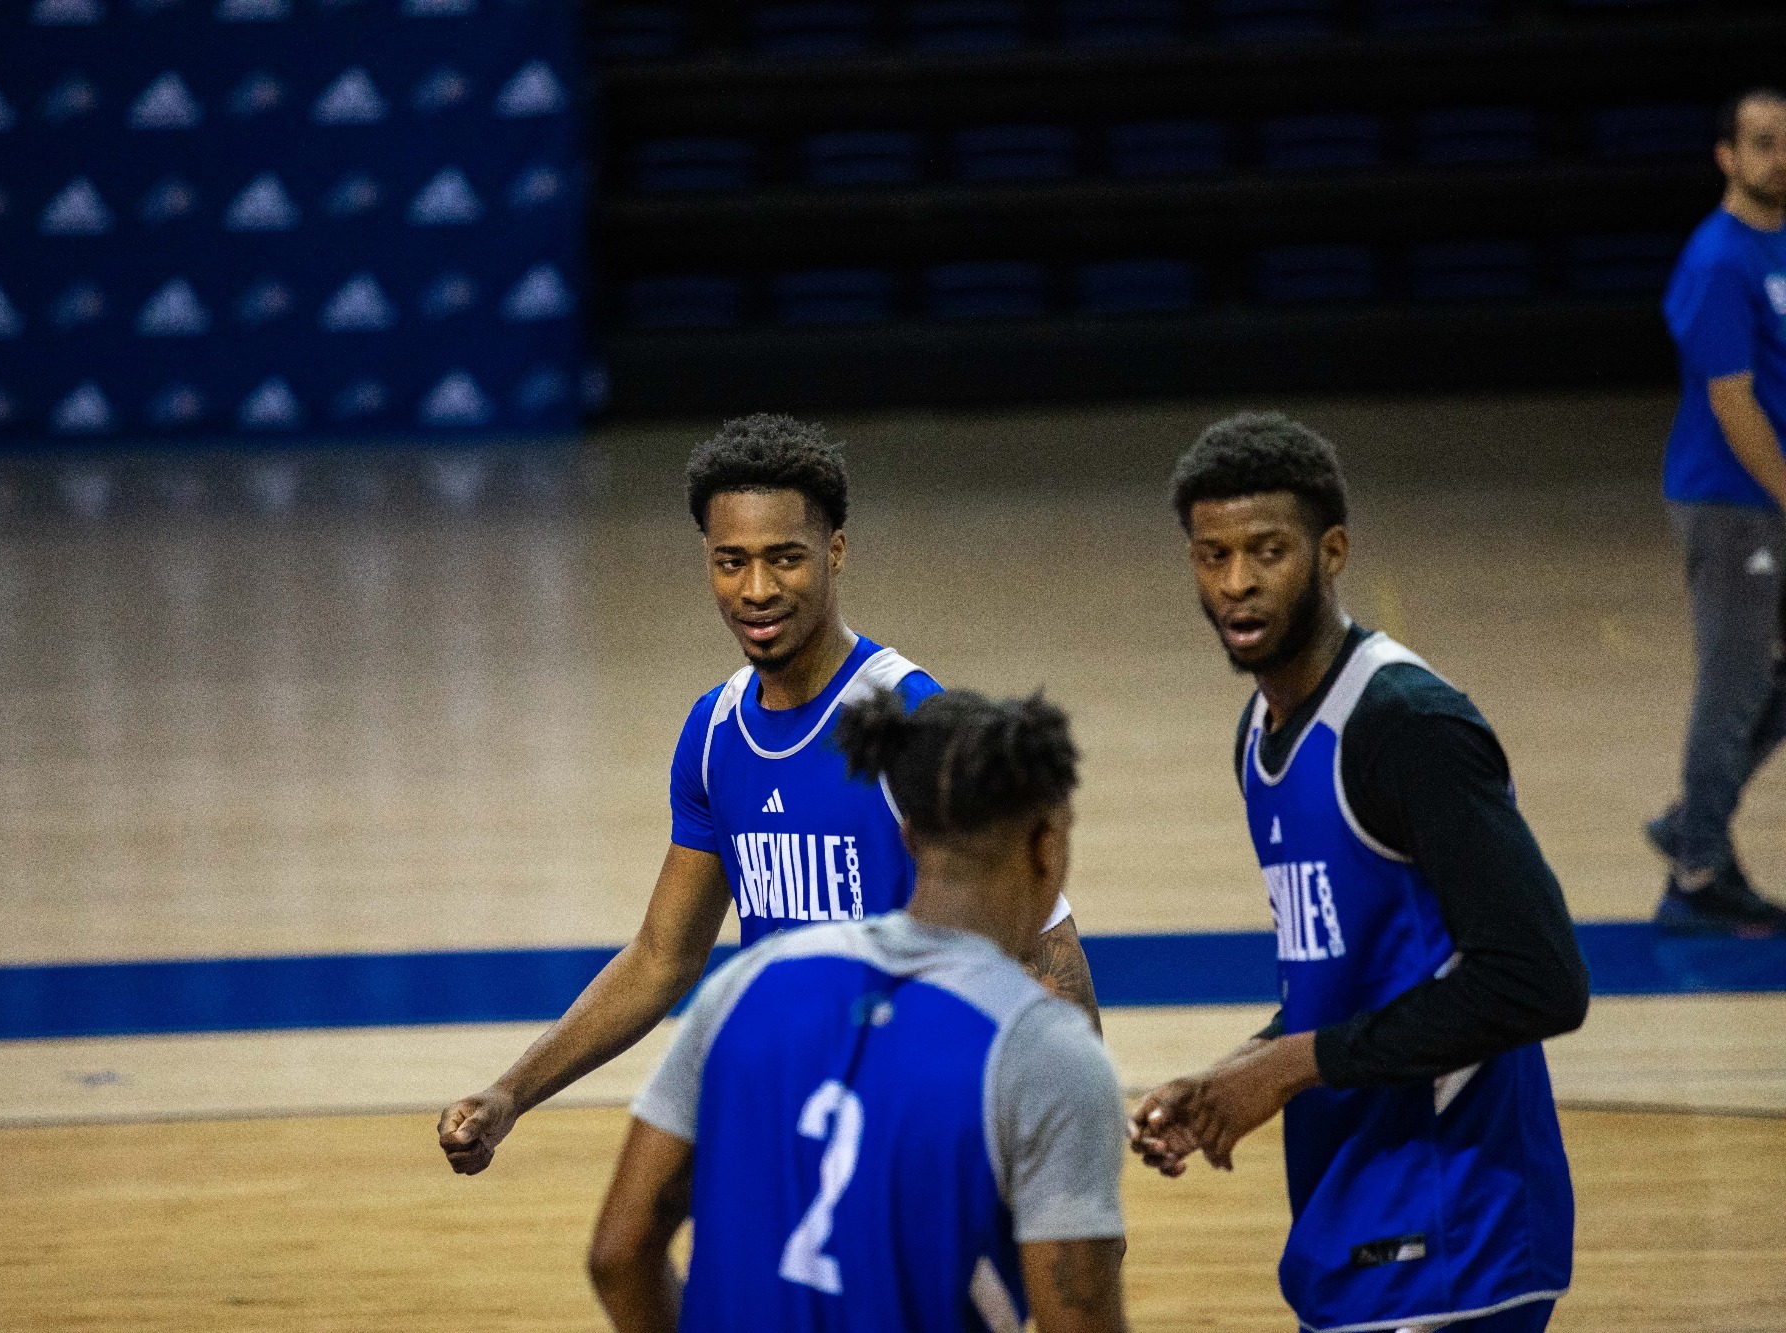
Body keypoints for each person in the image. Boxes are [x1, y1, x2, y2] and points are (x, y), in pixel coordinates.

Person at [439, 413, 1098, 1175]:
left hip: (919, 1132)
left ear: (835, 551)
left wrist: (1068, 1156)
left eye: (785, 558)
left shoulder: (915, 722)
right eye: (733, 561)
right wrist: (511, 1093)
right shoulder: (715, 732)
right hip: (786, 1125)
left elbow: (1048, 948)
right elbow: (662, 957)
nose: (757, 590)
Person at [1131, 414, 1590, 1333]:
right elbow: (1355, 973)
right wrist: (1236, 1076)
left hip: (1454, 1222)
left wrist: (1288, 1068)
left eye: (1268, 551)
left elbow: (1539, 978)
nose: (1237, 581)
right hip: (1358, 1211)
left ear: (1331, 550)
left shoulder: (1405, 725)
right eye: (1213, 555)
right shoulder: (1260, 737)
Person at [588, 688, 1127, 1333]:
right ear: (1047, 844)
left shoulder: (746, 986)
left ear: (907, 835)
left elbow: (618, 1254)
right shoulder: (1045, 1053)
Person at [1649, 85, 1786, 936]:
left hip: (1768, 500)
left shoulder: (1778, 247)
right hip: (1732, 504)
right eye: (1764, 142)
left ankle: (1692, 816)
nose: (1781, 158)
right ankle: (1698, 871)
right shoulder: (1717, 263)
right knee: (1733, 687)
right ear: (1727, 157)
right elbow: (1733, 403)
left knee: (1766, 684)